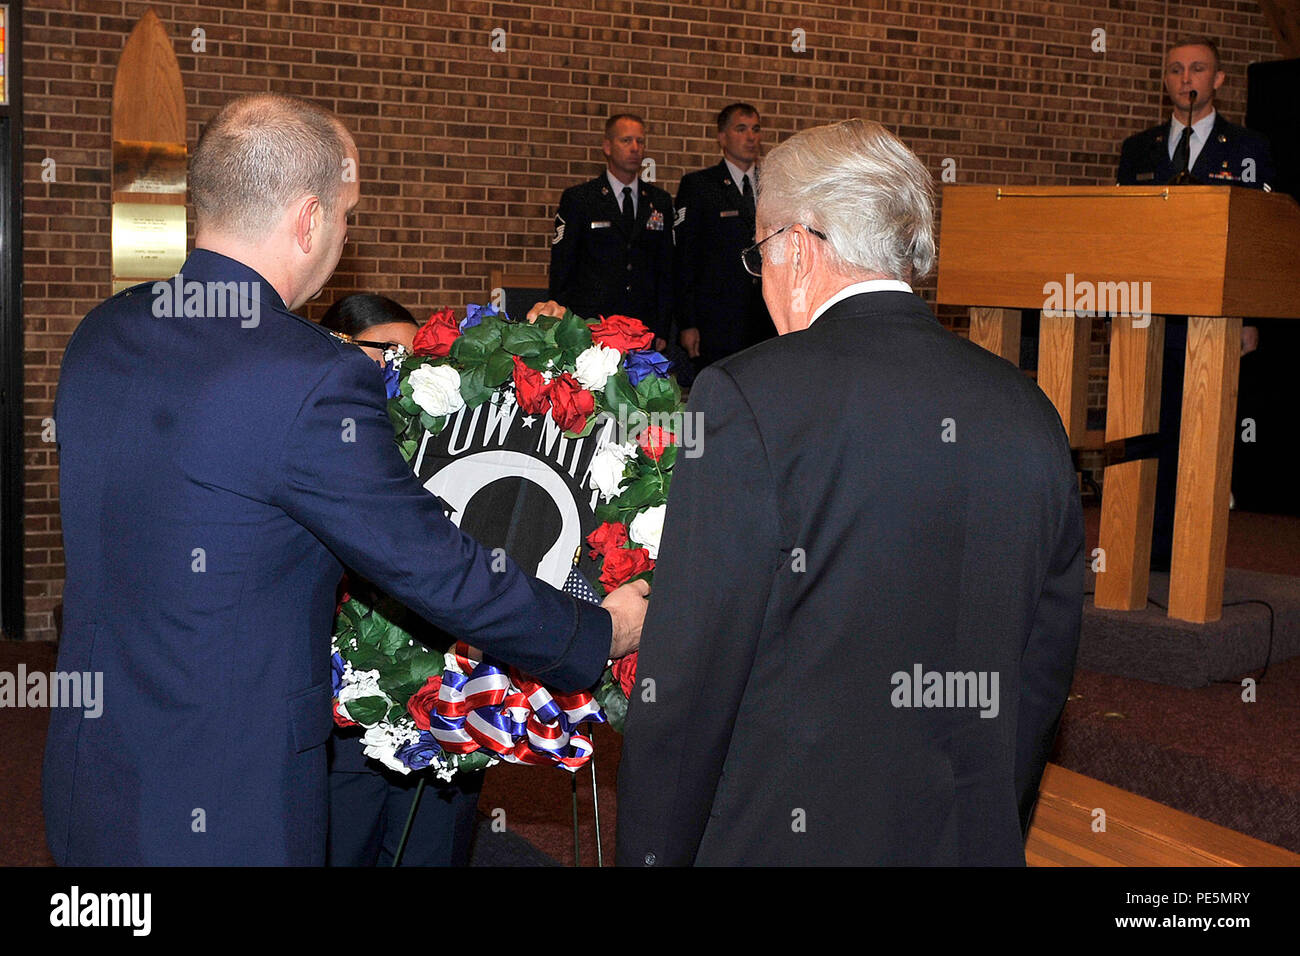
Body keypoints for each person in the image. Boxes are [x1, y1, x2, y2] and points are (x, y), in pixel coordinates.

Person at [44, 94, 648, 866]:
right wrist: (599, 628)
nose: (344, 235)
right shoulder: (308, 375)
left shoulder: (102, 330)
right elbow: (435, 566)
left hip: (92, 769)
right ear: (306, 218)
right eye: (345, 215)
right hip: (225, 799)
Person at [616, 119, 1084, 866]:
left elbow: (690, 688)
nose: (761, 276)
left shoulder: (747, 397)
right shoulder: (1029, 410)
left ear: (798, 246)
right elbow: (1040, 676)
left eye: (759, 251)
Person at [317, 293, 483, 867]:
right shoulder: (319, 440)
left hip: (438, 690)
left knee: (431, 848)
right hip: (346, 693)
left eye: (414, 357)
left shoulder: (444, 439)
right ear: (338, 347)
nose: (403, 370)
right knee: (343, 842)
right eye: (387, 352)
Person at [1116, 37, 1281, 562]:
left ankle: (1193, 552)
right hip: (1145, 313)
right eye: (1175, 70)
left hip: (1214, 319)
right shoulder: (1138, 149)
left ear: (1218, 80)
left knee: (1200, 436)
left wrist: (1251, 318)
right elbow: (1120, 231)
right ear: (1165, 81)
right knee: (1145, 432)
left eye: (1198, 69)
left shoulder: (1248, 148)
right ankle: (1144, 549)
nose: (1186, 79)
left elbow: (1260, 238)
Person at [547, 114, 675, 348]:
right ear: (607, 146)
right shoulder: (581, 199)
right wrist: (563, 325)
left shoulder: (659, 201)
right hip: (592, 323)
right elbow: (562, 266)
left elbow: (666, 270)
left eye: (640, 141)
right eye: (626, 141)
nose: (635, 148)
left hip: (642, 326)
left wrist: (662, 329)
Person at [674, 103, 773, 369]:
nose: (751, 137)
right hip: (717, 318)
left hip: (766, 316)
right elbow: (685, 258)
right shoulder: (700, 186)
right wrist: (688, 322)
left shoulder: (773, 185)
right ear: (722, 137)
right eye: (741, 129)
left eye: (756, 129)